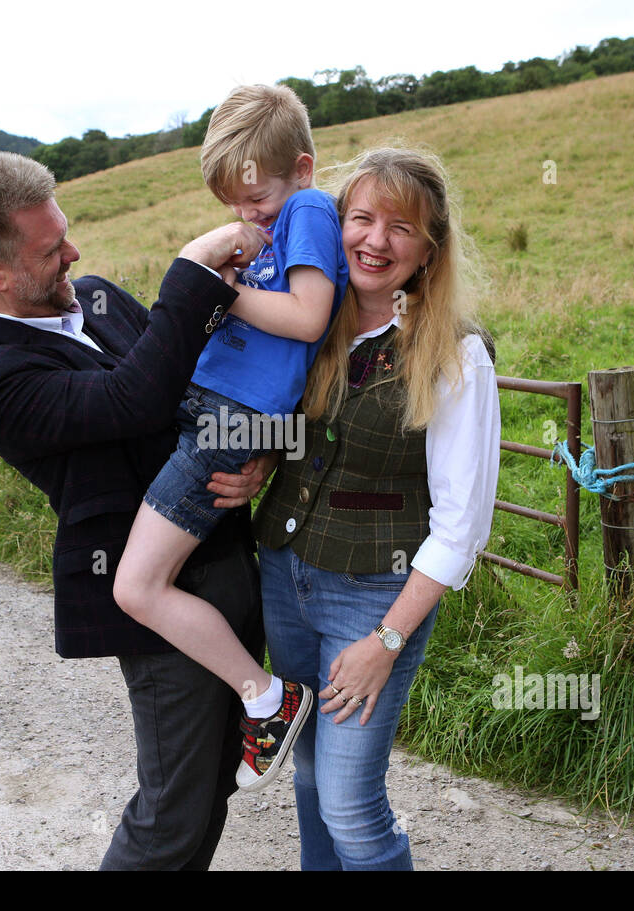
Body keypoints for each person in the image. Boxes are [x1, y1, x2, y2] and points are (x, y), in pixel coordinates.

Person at [0, 150, 273, 870]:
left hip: (230, 566)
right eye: (50, 249)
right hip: (161, 609)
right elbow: (132, 400)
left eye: (66, 232)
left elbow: (195, 397)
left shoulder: (96, 297)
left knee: (212, 786)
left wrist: (261, 456)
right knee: (170, 815)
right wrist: (190, 268)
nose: (73, 253)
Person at [253, 146, 502, 870]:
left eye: (400, 227)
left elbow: (462, 525)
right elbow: (286, 421)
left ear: (430, 248)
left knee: (351, 808)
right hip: (284, 575)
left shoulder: (456, 354)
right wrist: (258, 462)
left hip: (372, 599)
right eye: (360, 218)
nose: (375, 240)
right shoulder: (311, 321)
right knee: (304, 770)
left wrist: (385, 642)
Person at [112, 84, 348, 792]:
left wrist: (210, 289)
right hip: (216, 405)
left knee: (135, 586)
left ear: (302, 170)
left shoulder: (309, 208)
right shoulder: (284, 216)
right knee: (147, 570)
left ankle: (268, 698)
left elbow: (308, 319)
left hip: (229, 418)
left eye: (258, 202)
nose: (248, 218)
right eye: (236, 206)